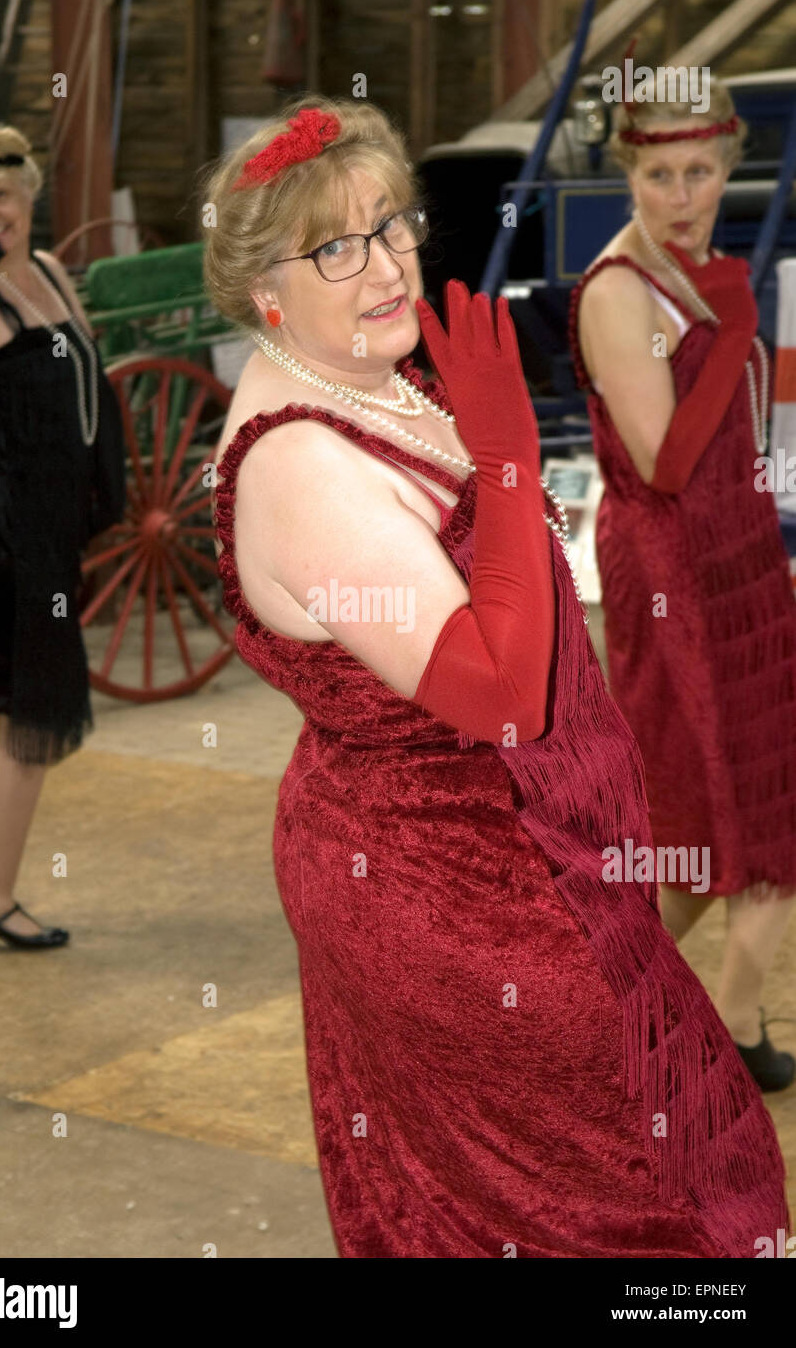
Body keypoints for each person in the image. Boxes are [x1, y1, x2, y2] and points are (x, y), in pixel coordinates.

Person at [203, 95, 787, 1257]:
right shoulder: (301, 467)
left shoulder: (358, 373)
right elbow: (500, 692)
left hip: (511, 844)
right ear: (265, 287)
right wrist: (513, 462)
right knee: (612, 1196)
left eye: (392, 224)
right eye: (336, 246)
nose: (385, 265)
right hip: (455, 883)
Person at [570, 75, 796, 1091]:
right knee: (745, 814)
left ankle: (614, 993)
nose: (681, 193)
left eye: (700, 170)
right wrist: (739, 328)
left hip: (738, 556)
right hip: (672, 574)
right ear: (628, 174)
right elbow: (664, 460)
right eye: (658, 173)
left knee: (712, 824)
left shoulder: (698, 268)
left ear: (728, 167)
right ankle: (731, 1025)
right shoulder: (623, 290)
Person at [0, 124, 125, 951]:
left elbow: (89, 382)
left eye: (1, 194)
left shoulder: (44, 274)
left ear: (29, 193)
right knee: (28, 716)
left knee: (22, 709)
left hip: (44, 527)